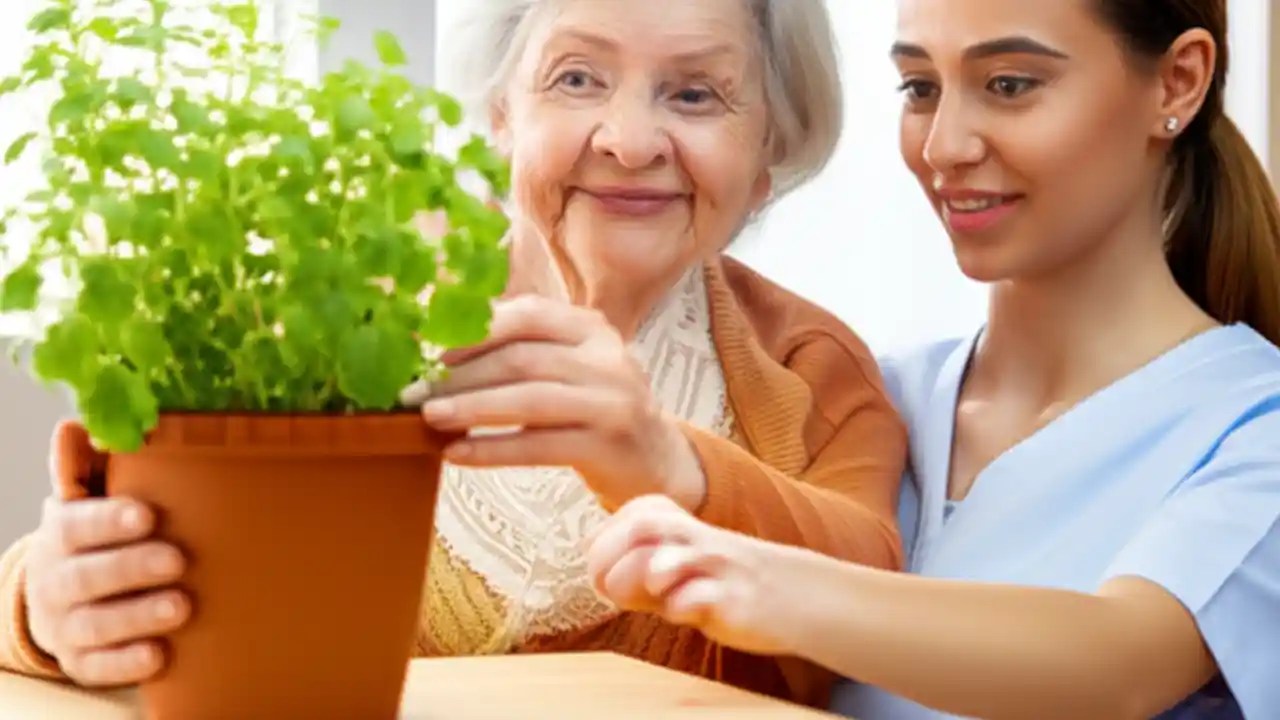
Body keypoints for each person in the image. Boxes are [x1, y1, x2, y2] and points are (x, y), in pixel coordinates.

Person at [0, 0, 908, 708]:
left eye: (695, 93)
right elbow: (85, 552)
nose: (629, 141)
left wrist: (674, 469)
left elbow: (876, 612)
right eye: (579, 78)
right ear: (502, 112)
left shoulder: (812, 371)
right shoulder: (332, 309)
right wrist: (47, 606)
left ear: (769, 152)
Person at [585, 0, 1280, 717]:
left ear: (1177, 82)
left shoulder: (1255, 431)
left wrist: (766, 581)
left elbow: (1121, 662)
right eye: (920, 88)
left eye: (1009, 84)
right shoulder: (868, 401)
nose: (944, 147)